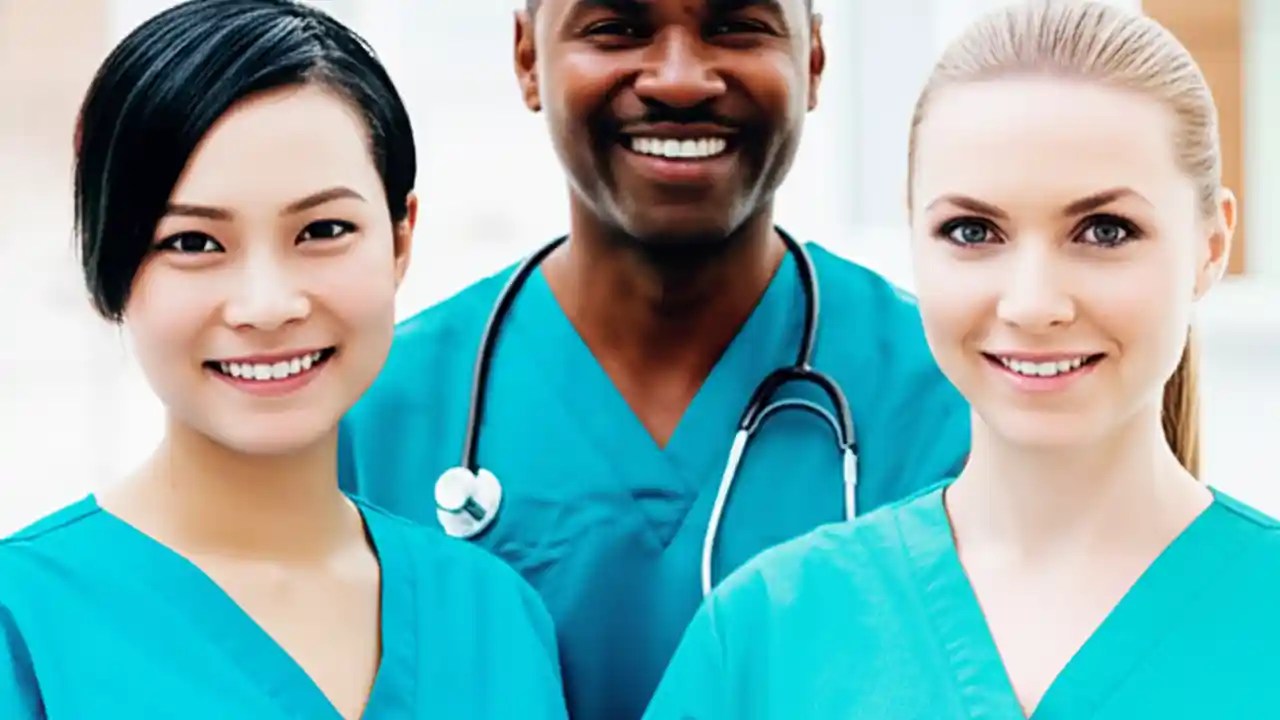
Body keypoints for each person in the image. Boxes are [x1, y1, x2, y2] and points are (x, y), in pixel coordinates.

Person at [641, 1, 1280, 717]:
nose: (1033, 303)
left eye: (1105, 230)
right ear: (914, 236)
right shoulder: (767, 633)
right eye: (973, 230)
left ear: (1211, 247)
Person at [338, 0, 970, 717]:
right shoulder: (372, 414)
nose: (678, 80)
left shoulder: (952, 400)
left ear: (814, 60)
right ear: (526, 58)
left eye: (736, 26)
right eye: (618, 28)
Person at [0, 2, 568, 718]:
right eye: (193, 243)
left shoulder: (495, 617)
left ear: (400, 241)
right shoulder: (22, 620)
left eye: (323, 230)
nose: (266, 306)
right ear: (106, 268)